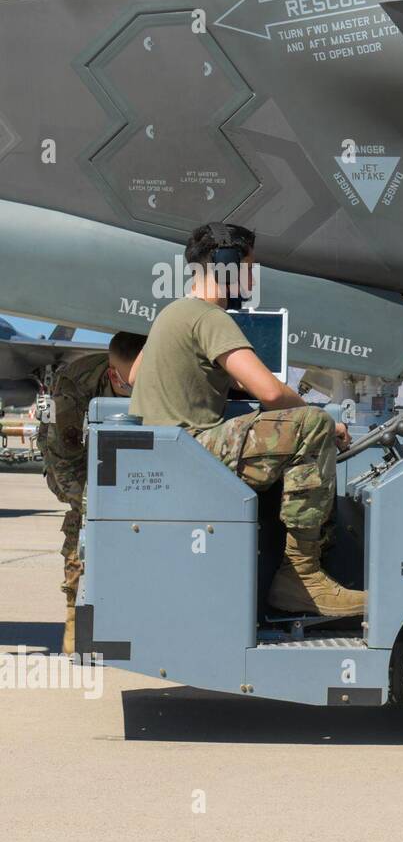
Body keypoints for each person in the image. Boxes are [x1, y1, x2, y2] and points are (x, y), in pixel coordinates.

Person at [129, 222, 364, 618]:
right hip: (194, 451)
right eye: (250, 267)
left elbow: (135, 375)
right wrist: (325, 417)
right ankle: (301, 575)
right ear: (225, 264)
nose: (253, 277)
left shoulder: (173, 312)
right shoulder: (209, 316)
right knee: (314, 424)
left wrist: (222, 383)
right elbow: (271, 393)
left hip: (168, 455)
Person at [38, 331, 146, 653]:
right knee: (84, 517)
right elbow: (64, 462)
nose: (139, 392)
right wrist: (96, 505)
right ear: (114, 375)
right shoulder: (72, 391)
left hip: (121, 440)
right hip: (66, 450)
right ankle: (74, 616)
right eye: (132, 386)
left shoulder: (149, 376)